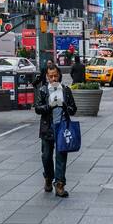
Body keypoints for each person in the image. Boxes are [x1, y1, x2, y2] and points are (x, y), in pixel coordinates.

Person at [34, 62, 78, 195]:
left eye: (55, 76)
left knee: (61, 157)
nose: (53, 79)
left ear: (59, 75)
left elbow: (73, 110)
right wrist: (50, 106)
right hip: (47, 128)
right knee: (46, 157)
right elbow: (37, 108)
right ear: (47, 77)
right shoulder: (43, 90)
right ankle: (48, 177)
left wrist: (65, 106)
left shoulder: (65, 90)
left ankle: (60, 184)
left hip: (62, 128)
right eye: (51, 76)